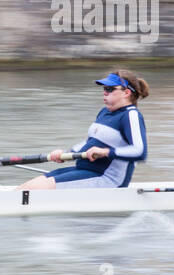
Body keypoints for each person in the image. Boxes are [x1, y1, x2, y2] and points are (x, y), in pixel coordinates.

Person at [19, 70, 149, 190]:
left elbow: (139, 152)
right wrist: (65, 154)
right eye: (104, 88)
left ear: (126, 93)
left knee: (31, 190)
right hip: (84, 170)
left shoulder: (131, 115)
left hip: (107, 180)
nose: (104, 92)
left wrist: (105, 152)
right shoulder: (104, 112)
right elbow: (91, 143)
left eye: (110, 89)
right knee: (26, 186)